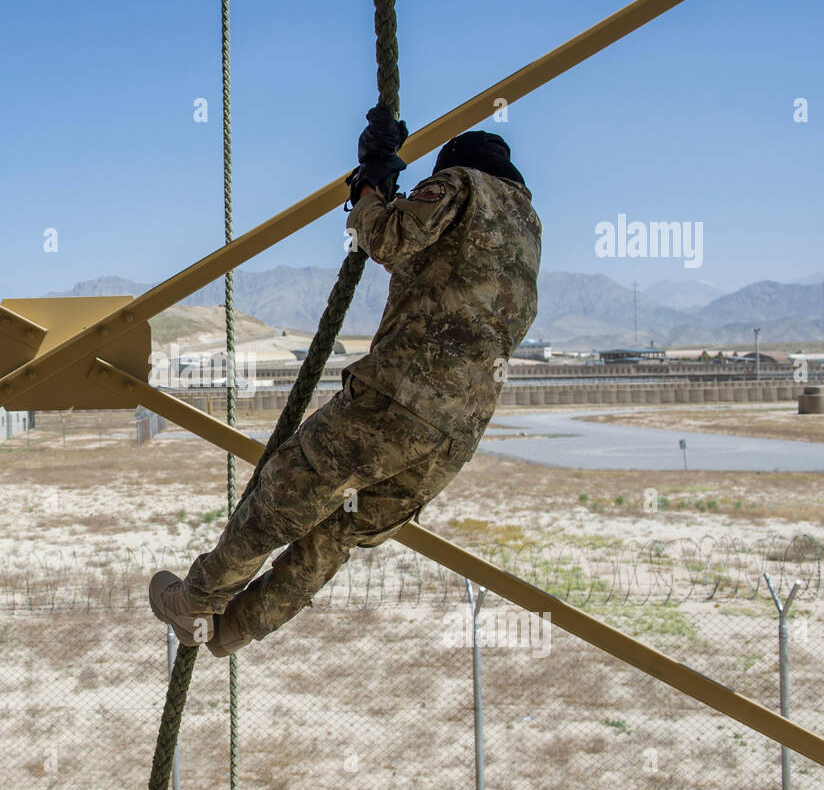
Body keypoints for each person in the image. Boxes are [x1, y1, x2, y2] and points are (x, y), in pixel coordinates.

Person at [149, 106, 543, 657]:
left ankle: (194, 602)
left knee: (281, 497)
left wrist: (368, 189)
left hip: (398, 402)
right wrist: (381, 184)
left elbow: (389, 238)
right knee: (337, 533)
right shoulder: (527, 229)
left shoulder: (462, 185)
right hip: (457, 433)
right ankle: (236, 628)